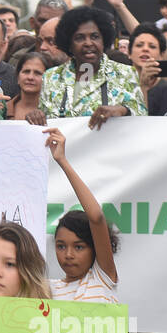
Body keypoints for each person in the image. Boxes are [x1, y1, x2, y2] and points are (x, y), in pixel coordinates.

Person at [33, 5, 146, 127]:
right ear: (69, 43)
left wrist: (123, 110)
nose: (88, 43)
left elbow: (142, 116)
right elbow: (44, 124)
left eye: (95, 37)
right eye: (79, 38)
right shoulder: (51, 77)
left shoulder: (125, 73)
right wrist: (36, 117)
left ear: (104, 40)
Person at [45, 127, 120, 302]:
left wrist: (62, 160)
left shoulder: (103, 278)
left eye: (79, 247)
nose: (68, 255)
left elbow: (96, 218)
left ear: (95, 248)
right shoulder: (47, 289)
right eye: (61, 246)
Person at [7, 52, 46, 120]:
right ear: (18, 77)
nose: (30, 77)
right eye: (26, 71)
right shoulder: (2, 110)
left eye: (37, 73)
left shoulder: (53, 112)